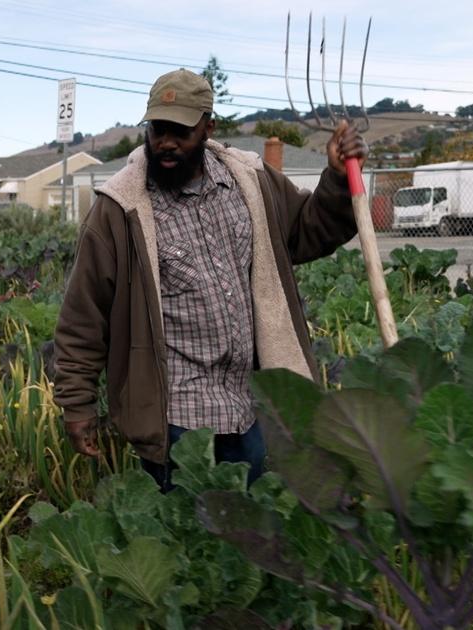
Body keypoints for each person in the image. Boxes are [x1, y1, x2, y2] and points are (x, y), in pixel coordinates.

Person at [52, 69, 367, 492]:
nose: (166, 142)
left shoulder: (249, 182)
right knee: (187, 543)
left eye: (180, 131)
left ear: (208, 126)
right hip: (175, 417)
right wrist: (77, 404)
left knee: (248, 538)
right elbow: (83, 317)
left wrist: (335, 178)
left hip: (246, 406)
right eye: (158, 129)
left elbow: (308, 232)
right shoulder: (120, 209)